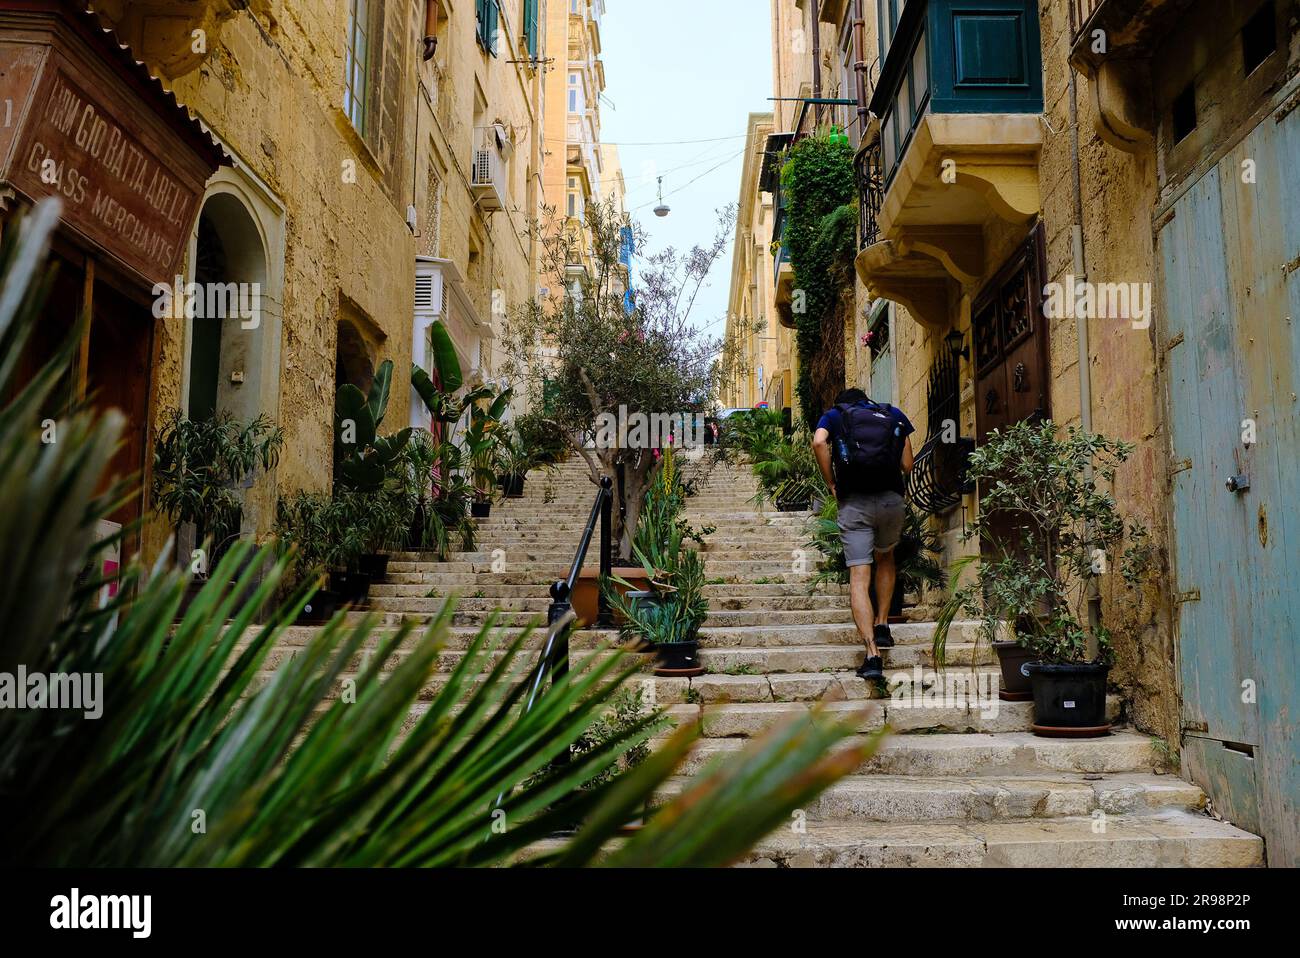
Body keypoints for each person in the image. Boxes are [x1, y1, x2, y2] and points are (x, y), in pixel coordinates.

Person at [812, 388, 914, 681]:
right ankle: (883, 624)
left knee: (859, 574)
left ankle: (872, 654)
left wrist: (831, 481)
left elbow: (819, 442)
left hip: (854, 502)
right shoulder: (892, 413)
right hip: (890, 501)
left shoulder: (834, 416)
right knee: (886, 557)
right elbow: (907, 465)